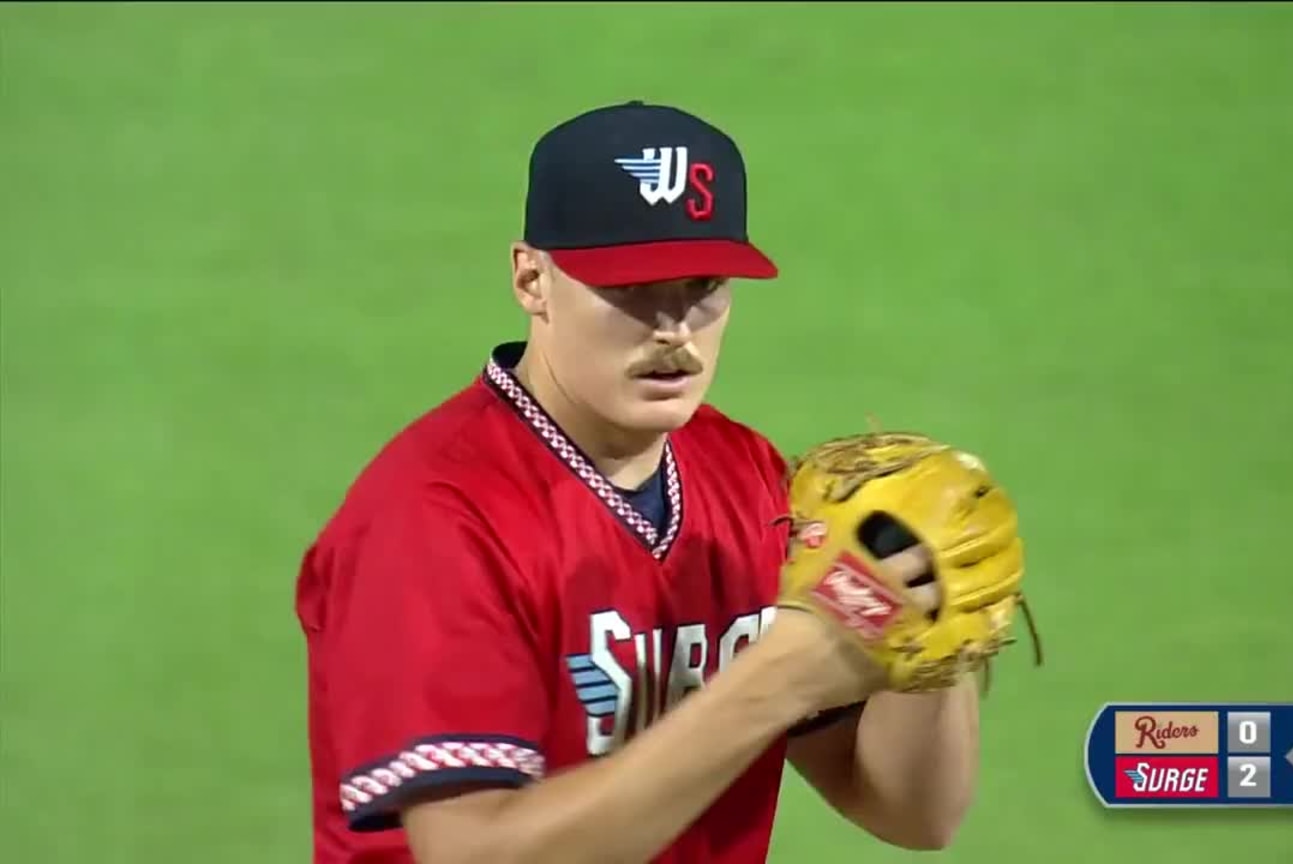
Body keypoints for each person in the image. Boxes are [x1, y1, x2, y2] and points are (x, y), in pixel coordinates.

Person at [295, 100, 987, 864]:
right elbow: (470, 852)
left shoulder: (748, 479)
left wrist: (932, 644)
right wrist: (776, 683)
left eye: (701, 286)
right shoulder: (433, 520)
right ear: (532, 278)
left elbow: (910, 815)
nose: (673, 329)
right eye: (630, 289)